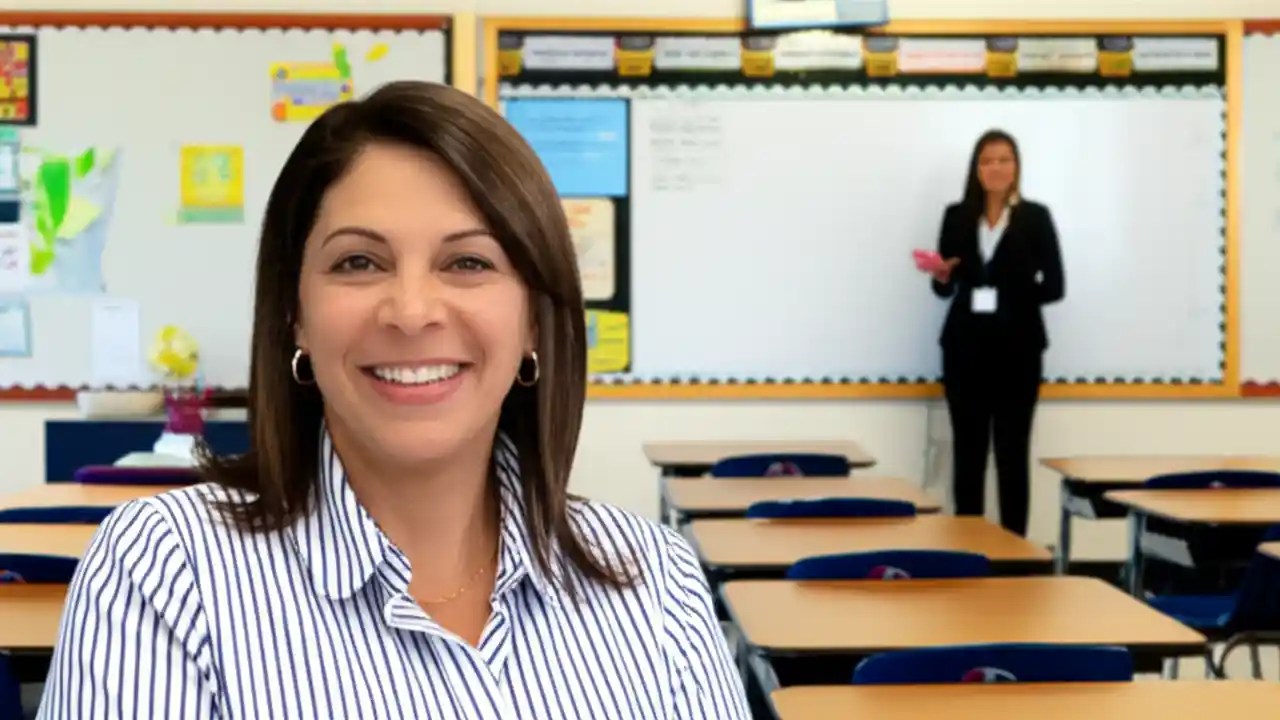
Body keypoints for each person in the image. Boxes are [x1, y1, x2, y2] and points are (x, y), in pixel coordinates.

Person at [38, 81, 749, 719]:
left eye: (468, 262)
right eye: (359, 262)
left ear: (534, 315)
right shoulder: (165, 571)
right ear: (295, 313)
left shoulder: (655, 582)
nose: (411, 311)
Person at [927, 129, 1065, 537]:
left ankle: (1015, 553)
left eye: (1004, 160)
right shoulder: (956, 215)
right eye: (987, 161)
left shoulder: (1035, 217)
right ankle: (968, 549)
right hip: (964, 349)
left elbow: (1055, 286)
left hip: (1018, 350)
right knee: (967, 454)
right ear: (976, 168)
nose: (996, 168)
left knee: (1011, 455)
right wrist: (940, 276)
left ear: (1016, 166)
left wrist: (1012, 300)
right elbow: (944, 288)